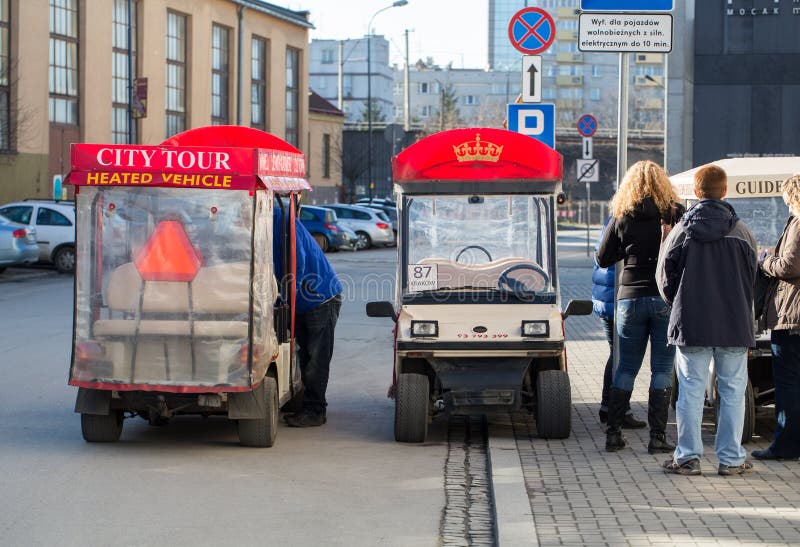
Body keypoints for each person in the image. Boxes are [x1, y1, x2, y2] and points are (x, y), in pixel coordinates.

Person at [656, 164, 758, 476]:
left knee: (690, 391)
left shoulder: (680, 231)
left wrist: (680, 304)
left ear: (697, 193)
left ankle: (688, 458)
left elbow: (663, 277)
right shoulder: (742, 232)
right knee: (732, 392)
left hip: (692, 324)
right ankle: (731, 459)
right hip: (733, 323)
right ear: (724, 191)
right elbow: (752, 277)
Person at [596, 160, 683, 453]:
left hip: (630, 297)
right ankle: (657, 438)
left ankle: (614, 434)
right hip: (664, 298)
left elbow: (602, 258)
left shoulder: (622, 215)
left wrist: (627, 249)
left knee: (626, 366)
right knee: (661, 368)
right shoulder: (674, 212)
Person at [273, 204, 343, 427]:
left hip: (319, 297)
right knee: (305, 355)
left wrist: (285, 299)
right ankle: (305, 403)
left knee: (316, 358)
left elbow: (297, 263)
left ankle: (315, 411)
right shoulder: (271, 219)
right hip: (304, 299)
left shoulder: (281, 220)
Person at [752, 173, 800, 461]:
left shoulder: (798, 222)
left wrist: (764, 260)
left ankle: (785, 445)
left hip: (793, 316)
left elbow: (789, 266)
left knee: (788, 383)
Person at [592, 217, 646, 429]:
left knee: (618, 354)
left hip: (608, 299)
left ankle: (611, 407)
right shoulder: (625, 223)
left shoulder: (612, 222)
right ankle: (616, 408)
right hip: (616, 299)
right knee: (621, 356)